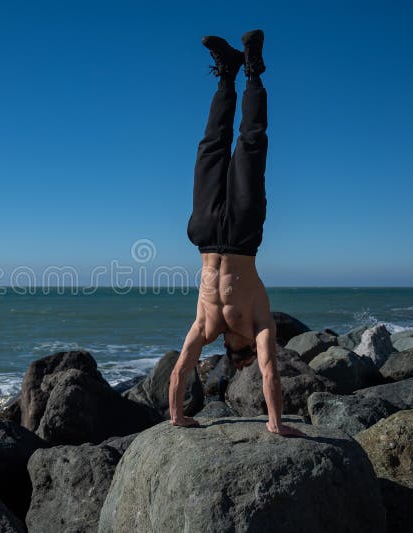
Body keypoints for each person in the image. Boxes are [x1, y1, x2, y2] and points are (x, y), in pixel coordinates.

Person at [168, 29, 303, 437]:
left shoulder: (205, 327)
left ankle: (227, 73)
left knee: (211, 147)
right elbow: (270, 375)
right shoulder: (260, 323)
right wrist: (276, 423)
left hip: (207, 235)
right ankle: (254, 72)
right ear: (241, 348)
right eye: (241, 356)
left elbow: (179, 370)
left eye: (236, 356)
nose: (236, 352)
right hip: (242, 235)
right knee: (250, 146)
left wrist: (176, 417)